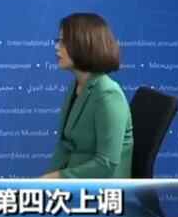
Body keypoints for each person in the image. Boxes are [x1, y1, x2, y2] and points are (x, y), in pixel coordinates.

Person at [42, 13, 133, 178]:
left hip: (101, 188)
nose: (56, 47)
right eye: (58, 41)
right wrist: (45, 182)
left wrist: (57, 178)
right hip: (73, 182)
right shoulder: (76, 86)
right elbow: (65, 145)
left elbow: (106, 164)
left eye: (63, 42)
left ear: (84, 44)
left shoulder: (108, 94)